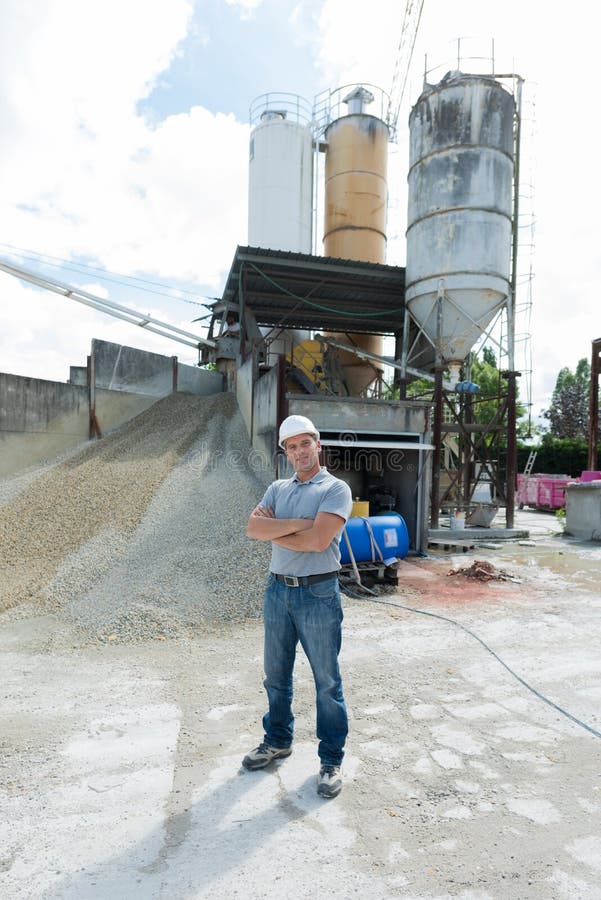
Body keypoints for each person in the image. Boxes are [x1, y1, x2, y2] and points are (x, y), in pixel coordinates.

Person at [243, 414, 352, 798]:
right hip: (277, 592)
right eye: (292, 446)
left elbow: (319, 542)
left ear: (318, 445)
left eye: (306, 443)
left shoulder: (335, 489)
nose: (300, 451)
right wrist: (299, 525)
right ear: (286, 452)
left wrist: (281, 529)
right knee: (275, 675)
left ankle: (331, 760)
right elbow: (253, 528)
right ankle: (277, 740)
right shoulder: (277, 487)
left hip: (318, 594)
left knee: (327, 682)